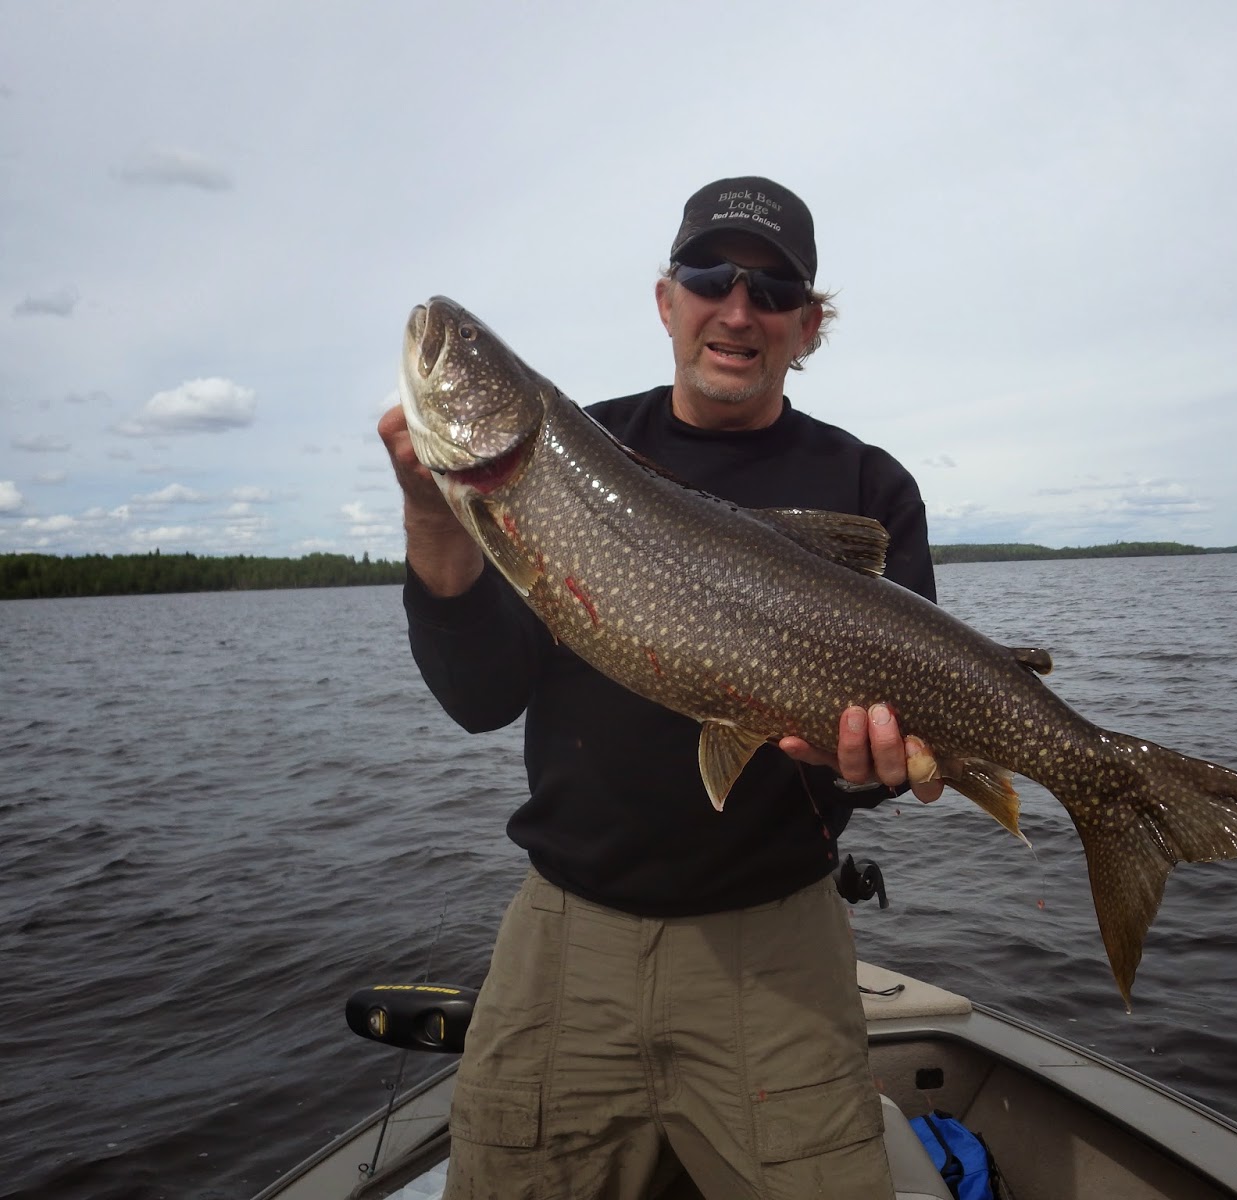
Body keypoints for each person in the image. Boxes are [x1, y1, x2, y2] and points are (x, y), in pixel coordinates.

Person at [378, 176, 941, 1200]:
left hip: (780, 950)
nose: (738, 309)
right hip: (565, 942)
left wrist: (878, 771)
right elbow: (478, 697)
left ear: (808, 326)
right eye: (710, 277)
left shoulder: (869, 487)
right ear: (666, 299)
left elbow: (895, 762)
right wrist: (429, 515)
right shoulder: (567, 456)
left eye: (773, 292)